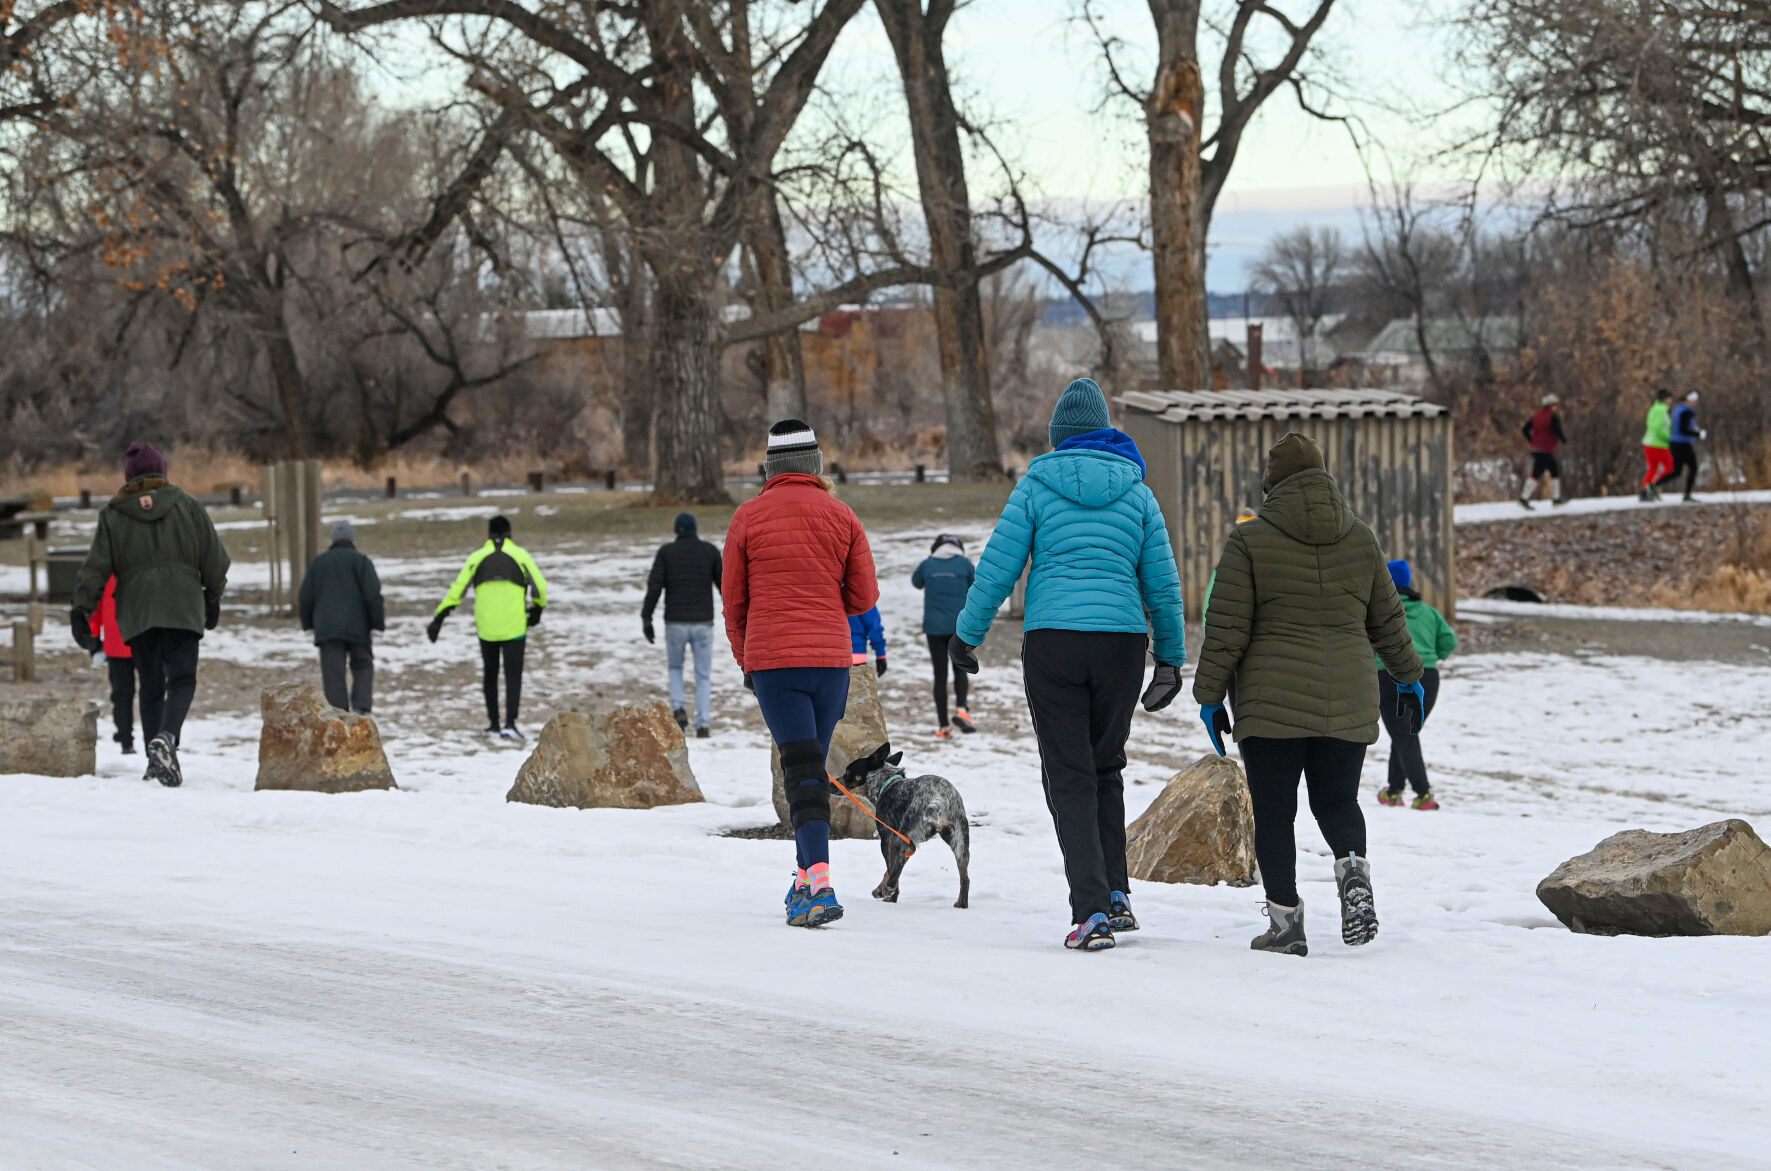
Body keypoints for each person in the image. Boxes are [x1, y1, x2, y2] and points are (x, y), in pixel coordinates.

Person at [950, 377, 1185, 952]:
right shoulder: (1139, 494)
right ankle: (1117, 896)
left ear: (1060, 439)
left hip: (1054, 642)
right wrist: (1171, 661)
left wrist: (966, 636)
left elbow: (998, 567)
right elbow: (1164, 586)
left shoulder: (1036, 485)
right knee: (1106, 768)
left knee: (1071, 775)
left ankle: (1091, 912)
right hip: (1122, 646)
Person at [1191, 432, 1423, 958]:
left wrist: (1209, 696)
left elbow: (1226, 628)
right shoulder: (1361, 539)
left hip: (1269, 706)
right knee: (1337, 800)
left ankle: (1286, 924)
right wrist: (1409, 676)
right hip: (1347, 696)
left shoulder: (1249, 540)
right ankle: (1354, 876)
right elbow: (1388, 621)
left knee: (1275, 813)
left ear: (1272, 484)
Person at [724, 418, 878, 928]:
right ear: (814, 465)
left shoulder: (747, 517)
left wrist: (745, 657)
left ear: (770, 467)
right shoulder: (841, 515)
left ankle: (818, 882)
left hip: (775, 661)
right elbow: (863, 597)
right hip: (831, 661)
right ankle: (804, 880)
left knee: (803, 772)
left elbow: (734, 602)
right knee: (810, 770)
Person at [70, 442, 230, 787]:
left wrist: (82, 610)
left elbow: (95, 568)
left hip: (138, 612)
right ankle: (167, 739)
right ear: (163, 470)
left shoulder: (113, 514)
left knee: (152, 687)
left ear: (129, 478)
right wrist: (212, 597)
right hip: (183, 607)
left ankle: (154, 761)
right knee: (182, 680)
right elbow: (216, 559)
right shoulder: (187, 505)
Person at [427, 515, 548, 740]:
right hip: (515, 627)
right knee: (513, 676)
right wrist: (537, 610)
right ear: (510, 533)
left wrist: (439, 617)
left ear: (489, 534)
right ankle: (510, 724)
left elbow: (457, 590)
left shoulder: (477, 557)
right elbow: (540, 586)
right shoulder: (520, 555)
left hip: (487, 627)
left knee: (490, 674)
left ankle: (493, 724)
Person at [1375, 559, 1456, 811]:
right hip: (1427, 677)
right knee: (1404, 734)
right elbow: (1448, 641)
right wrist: (1431, 657)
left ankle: (1423, 793)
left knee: (1403, 734)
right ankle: (1394, 791)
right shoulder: (1429, 612)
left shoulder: (1379, 611)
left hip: (1388, 675)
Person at [641, 511, 722, 738]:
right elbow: (725, 585)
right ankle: (703, 723)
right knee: (703, 674)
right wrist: (733, 613)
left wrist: (646, 618)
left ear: (677, 531)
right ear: (696, 529)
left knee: (675, 667)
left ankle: (679, 708)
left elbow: (654, 586)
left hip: (675, 621)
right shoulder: (710, 551)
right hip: (703, 622)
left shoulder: (666, 553)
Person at [299, 521, 385, 715]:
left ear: (333, 540)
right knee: (362, 664)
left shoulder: (319, 563)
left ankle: (338, 712)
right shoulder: (361, 562)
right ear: (352, 539)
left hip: (328, 628)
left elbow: (305, 597)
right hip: (358, 627)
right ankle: (362, 708)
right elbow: (373, 595)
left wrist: (308, 624)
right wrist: (376, 624)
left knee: (333, 672)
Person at [911, 533, 976, 738]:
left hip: (934, 628)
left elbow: (916, 582)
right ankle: (962, 710)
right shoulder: (965, 564)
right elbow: (975, 585)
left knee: (940, 675)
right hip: (960, 627)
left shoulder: (927, 564)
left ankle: (943, 726)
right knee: (960, 669)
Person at [84, 577, 138, 755]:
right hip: (143, 642)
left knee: (122, 694)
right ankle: (154, 737)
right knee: (152, 692)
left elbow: (96, 613)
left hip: (116, 644)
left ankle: (125, 739)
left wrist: (94, 642)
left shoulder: (107, 577)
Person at [1519, 393, 1567, 509]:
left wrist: (1532, 441)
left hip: (1537, 449)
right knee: (1536, 474)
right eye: (1555, 405)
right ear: (1551, 405)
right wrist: (1563, 440)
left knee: (1554, 471)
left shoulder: (1536, 417)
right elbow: (1558, 430)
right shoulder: (1552, 417)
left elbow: (1525, 429)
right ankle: (1523, 498)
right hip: (1546, 449)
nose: (1556, 407)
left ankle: (1556, 499)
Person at [1659, 391, 1706, 503]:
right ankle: (1687, 495)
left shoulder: (1677, 409)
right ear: (1689, 400)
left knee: (1676, 471)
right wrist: (1698, 434)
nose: (1696, 402)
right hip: (1682, 444)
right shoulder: (1686, 412)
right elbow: (1683, 429)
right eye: (1694, 400)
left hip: (1674, 443)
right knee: (1693, 467)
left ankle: (1653, 485)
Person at [1640, 388, 1674, 502]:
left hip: (1649, 443)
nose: (1671, 400)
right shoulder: (1661, 410)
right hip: (1658, 444)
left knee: (1653, 469)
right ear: (1665, 399)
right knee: (1670, 468)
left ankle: (1645, 491)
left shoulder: (1654, 408)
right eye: (1669, 398)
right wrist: (1669, 438)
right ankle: (1652, 487)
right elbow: (1657, 427)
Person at [849, 605, 887, 676]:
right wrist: (881, 654)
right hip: (856, 654)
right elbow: (873, 626)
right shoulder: (859, 595)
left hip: (827, 657)